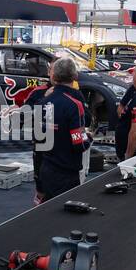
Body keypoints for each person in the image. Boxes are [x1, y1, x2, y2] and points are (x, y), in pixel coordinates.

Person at [33, 56, 91, 202]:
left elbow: (38, 141)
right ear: (75, 76)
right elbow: (80, 143)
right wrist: (88, 136)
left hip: (45, 169)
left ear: (53, 76)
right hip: (66, 172)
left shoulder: (42, 102)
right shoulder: (74, 104)